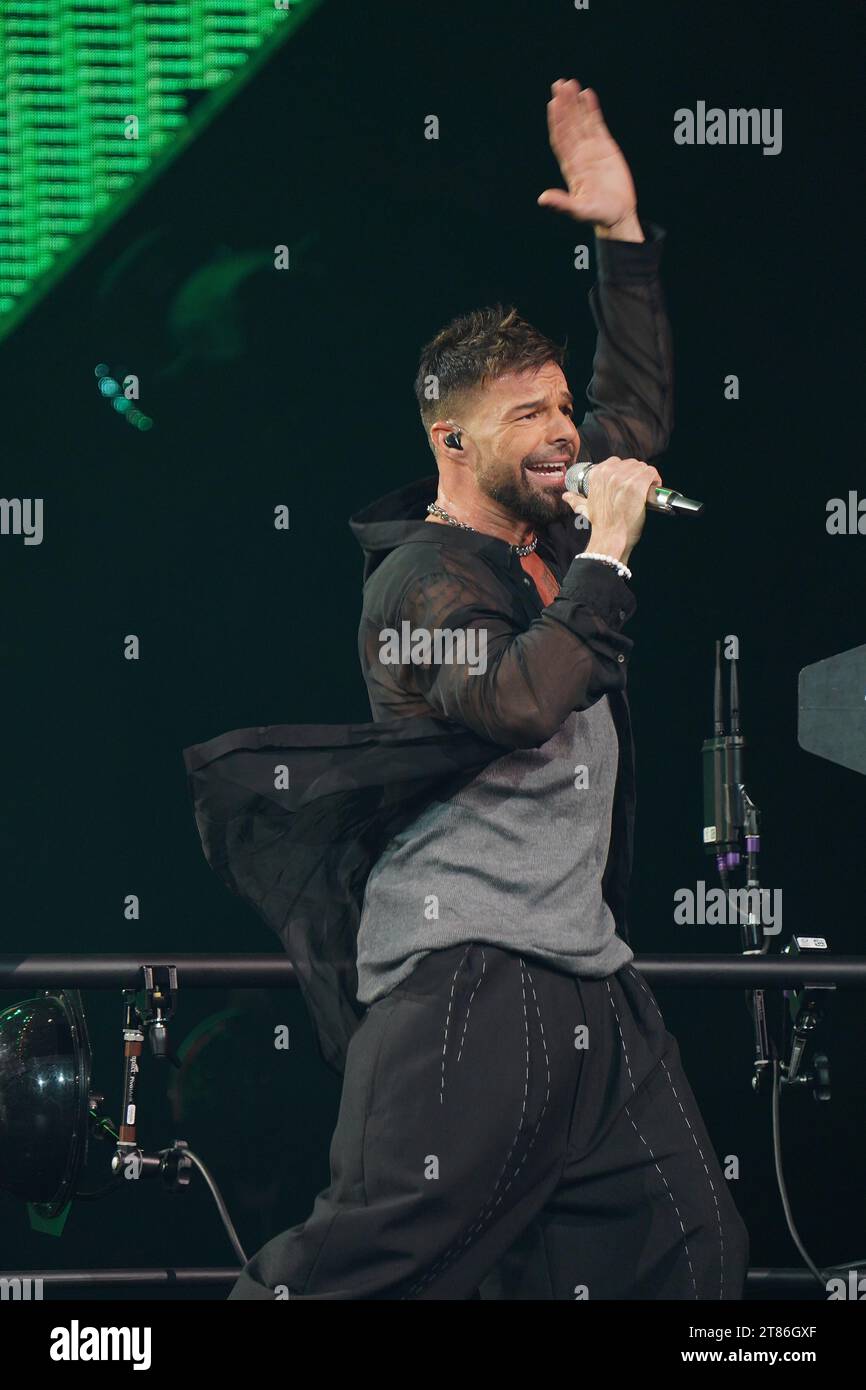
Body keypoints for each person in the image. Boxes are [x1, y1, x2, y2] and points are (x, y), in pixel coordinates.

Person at [184, 79, 749, 1299]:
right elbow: (511, 700)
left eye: (562, 407)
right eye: (528, 416)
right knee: (361, 1270)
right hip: (468, 985)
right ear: (452, 443)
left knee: (689, 1262)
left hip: (588, 978)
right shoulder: (419, 589)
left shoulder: (542, 524)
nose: (565, 436)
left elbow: (632, 415)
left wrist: (620, 235)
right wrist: (604, 554)